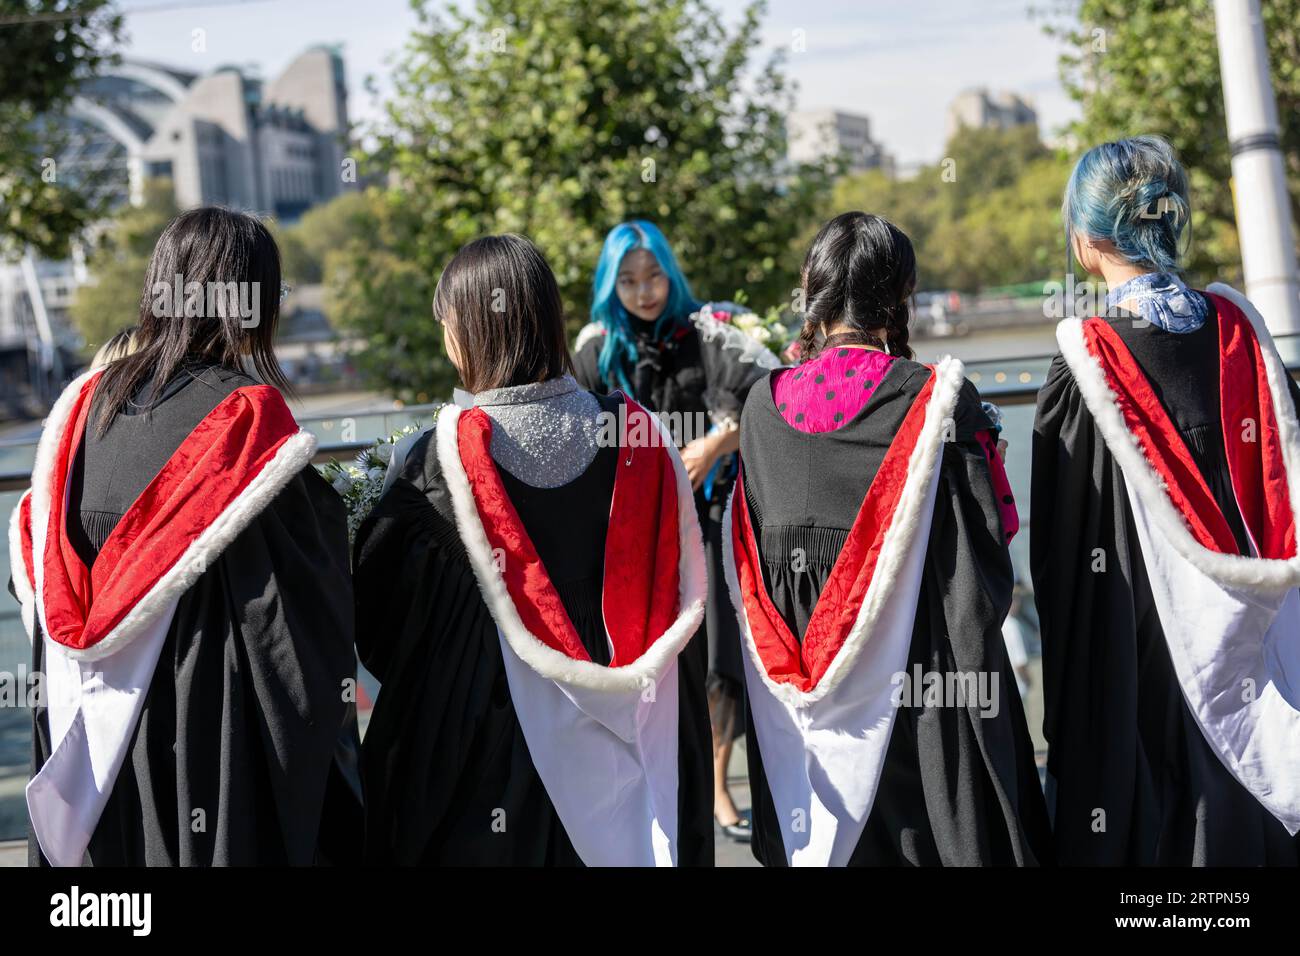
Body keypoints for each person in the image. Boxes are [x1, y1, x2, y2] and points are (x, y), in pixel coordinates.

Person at [9, 207, 362, 866]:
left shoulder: (85, 405)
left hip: (84, 733)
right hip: (198, 732)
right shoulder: (245, 418)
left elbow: (37, 550)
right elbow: (292, 610)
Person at [354, 234, 713, 866]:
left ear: (464, 330)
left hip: (486, 770)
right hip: (634, 757)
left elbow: (385, 636)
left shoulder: (431, 463)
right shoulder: (639, 435)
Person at [722, 211, 1050, 866]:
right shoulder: (933, 399)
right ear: (901, 295)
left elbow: (753, 566)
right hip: (920, 693)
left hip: (804, 712)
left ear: (813, 288)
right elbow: (986, 554)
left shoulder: (760, 405)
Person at [1033, 135, 1300, 865]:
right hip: (1270, 617)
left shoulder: (1084, 359)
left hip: (1147, 629)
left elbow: (1063, 546)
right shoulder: (1241, 330)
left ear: (1086, 242)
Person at [572, 219, 777, 841]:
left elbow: (765, 399)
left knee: (719, 656)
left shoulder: (707, 331)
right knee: (644, 658)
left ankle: (715, 787)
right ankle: (644, 781)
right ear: (612, 285)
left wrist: (713, 446)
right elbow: (574, 434)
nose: (644, 291)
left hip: (707, 516)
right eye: (629, 280)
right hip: (630, 533)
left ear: (671, 272)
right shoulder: (594, 347)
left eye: (654, 275)